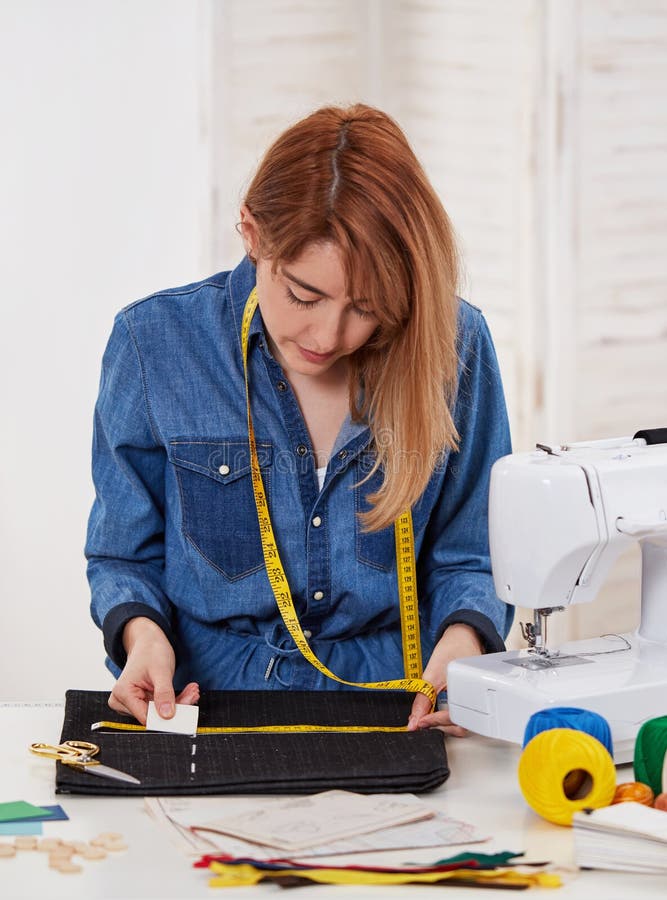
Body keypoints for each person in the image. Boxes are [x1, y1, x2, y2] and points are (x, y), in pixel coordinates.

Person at [85, 103, 513, 735]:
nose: (328, 336)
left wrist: (463, 645)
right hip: (208, 706)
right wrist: (142, 637)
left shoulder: (452, 345)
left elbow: (472, 554)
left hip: (398, 710)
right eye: (304, 295)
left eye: (367, 308)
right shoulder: (154, 344)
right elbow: (123, 554)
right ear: (252, 234)